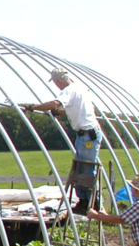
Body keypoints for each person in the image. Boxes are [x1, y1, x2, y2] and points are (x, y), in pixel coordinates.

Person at [21, 68, 102, 214]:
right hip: (86, 134)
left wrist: (32, 107)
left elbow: (55, 103)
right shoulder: (80, 88)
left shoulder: (68, 91)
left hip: (87, 136)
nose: (56, 85)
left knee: (86, 170)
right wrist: (59, 113)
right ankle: (85, 202)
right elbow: (77, 110)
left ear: (58, 81)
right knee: (81, 168)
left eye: (55, 82)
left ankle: (90, 204)